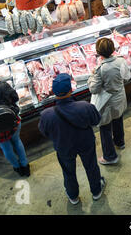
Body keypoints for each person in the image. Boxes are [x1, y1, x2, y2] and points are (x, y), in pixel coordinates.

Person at [39, 73, 105, 205]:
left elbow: (44, 132)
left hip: (64, 147)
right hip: (85, 142)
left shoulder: (46, 115)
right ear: (71, 89)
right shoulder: (85, 106)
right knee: (91, 166)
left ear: (53, 92)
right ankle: (96, 191)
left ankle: (73, 196)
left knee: (68, 171)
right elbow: (96, 120)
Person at [87, 37, 130, 165]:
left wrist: (92, 76)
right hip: (119, 97)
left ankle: (110, 156)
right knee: (118, 119)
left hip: (107, 103)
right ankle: (120, 142)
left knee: (105, 128)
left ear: (99, 53)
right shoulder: (121, 61)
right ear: (112, 49)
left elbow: (93, 89)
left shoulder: (101, 69)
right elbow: (127, 77)